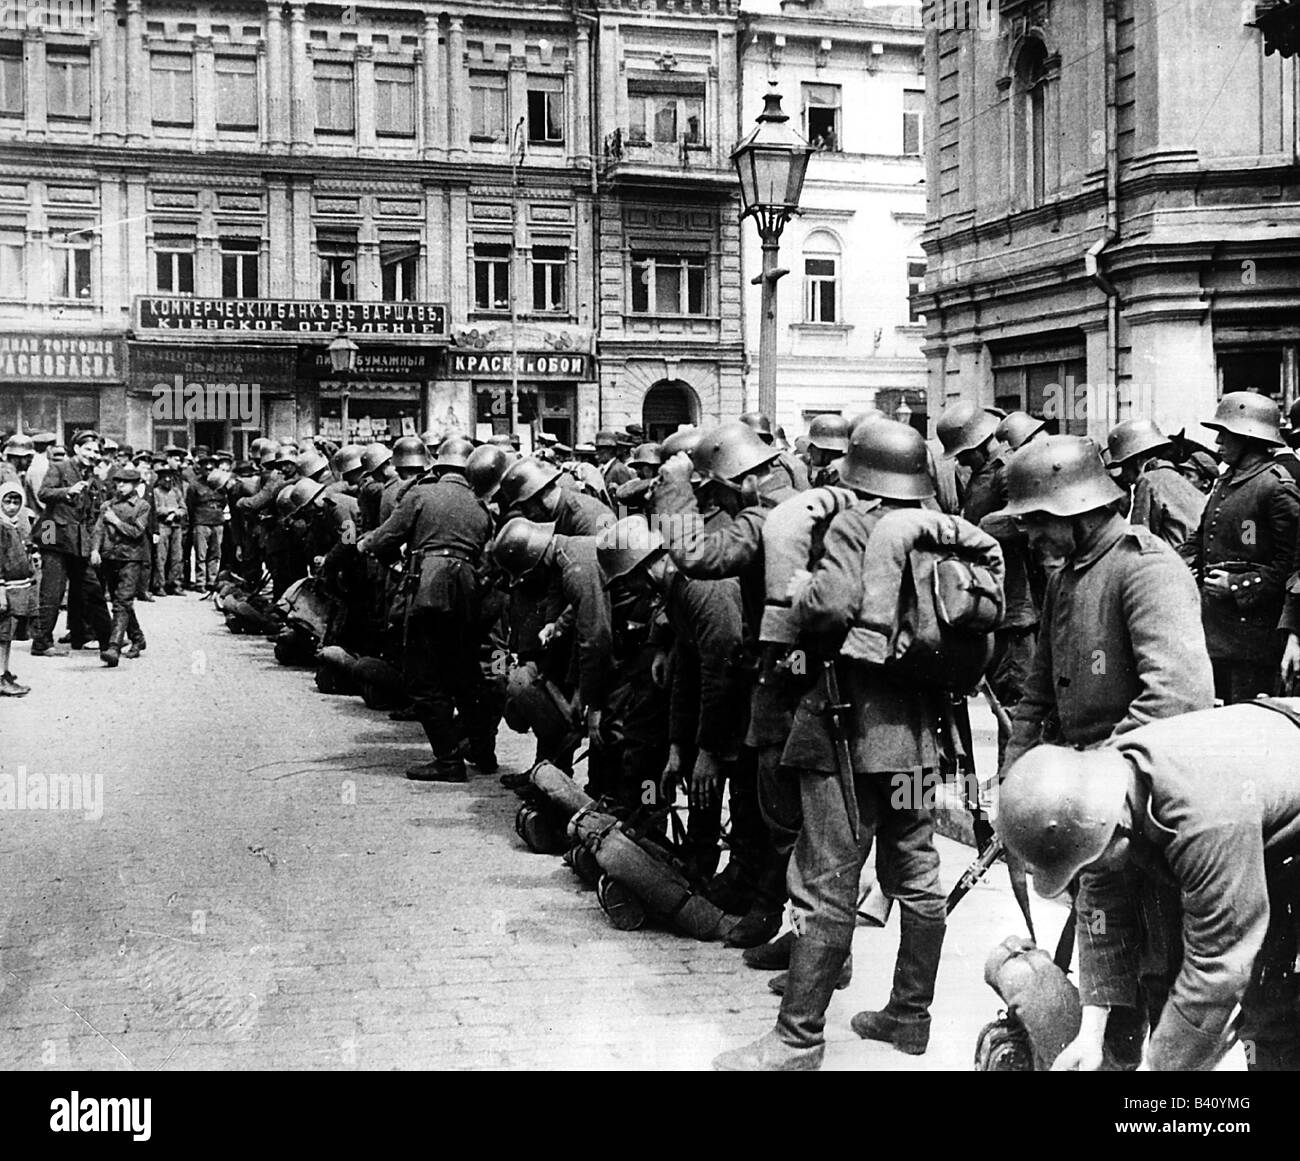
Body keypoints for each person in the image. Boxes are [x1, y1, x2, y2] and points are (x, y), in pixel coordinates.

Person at [713, 420, 950, 1070]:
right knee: (920, 877)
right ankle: (910, 1014)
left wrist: (807, 589)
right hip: (919, 738)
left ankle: (797, 1039)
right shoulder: (938, 527)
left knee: (823, 884)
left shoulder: (856, 524)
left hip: (845, 731)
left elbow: (829, 607)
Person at [997, 434, 1216, 1065]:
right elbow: (1037, 696)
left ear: (1078, 509)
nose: (1030, 537)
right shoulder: (1068, 576)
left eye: (1037, 522)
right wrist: (1019, 784)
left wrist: (1091, 774)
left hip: (1146, 800)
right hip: (1090, 797)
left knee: (1159, 957)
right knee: (1103, 940)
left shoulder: (1145, 567)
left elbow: (1178, 697)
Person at [998, 699, 1300, 1071]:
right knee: (1269, 1008)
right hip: (1265, 816)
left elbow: (1217, 965)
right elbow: (1100, 905)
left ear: (1117, 838)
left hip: (1268, 815)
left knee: (1276, 1007)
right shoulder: (1101, 791)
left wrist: (1155, 1069)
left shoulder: (1203, 818)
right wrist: (1090, 1034)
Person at [358, 439, 493, 782]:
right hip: (468, 592)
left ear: (438, 466)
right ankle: (482, 750)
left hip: (429, 590)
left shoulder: (421, 494)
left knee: (423, 676)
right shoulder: (481, 505)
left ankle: (448, 760)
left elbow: (389, 535)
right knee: (465, 672)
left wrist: (366, 543)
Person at [1180, 392, 1300, 704]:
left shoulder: (1275, 487)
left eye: (1225, 434)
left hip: (1254, 640)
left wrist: (1237, 585)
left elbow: (1291, 567)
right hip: (1215, 631)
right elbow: (1201, 537)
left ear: (1249, 437)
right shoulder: (1224, 482)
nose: (1217, 442)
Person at [32, 430, 112, 657]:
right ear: (76, 449)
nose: (92, 454)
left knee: (91, 588)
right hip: (52, 534)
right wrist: (68, 491)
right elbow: (44, 493)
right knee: (52, 591)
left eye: (96, 451)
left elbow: (92, 514)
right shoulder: (60, 467)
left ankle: (108, 641)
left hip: (78, 541)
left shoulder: (93, 476)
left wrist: (92, 545)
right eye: (87, 449)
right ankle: (41, 643)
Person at [1106, 417, 1206, 550]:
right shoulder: (1176, 479)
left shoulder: (1148, 481)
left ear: (1137, 460)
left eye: (1123, 465)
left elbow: (1140, 542)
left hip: (1166, 564)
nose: (1123, 474)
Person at [89, 464, 150, 667]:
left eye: (126, 483)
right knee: (119, 600)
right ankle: (138, 638)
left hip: (131, 558)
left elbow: (136, 533)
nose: (121, 486)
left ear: (135, 485)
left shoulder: (142, 506)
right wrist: (95, 550)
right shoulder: (107, 505)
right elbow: (98, 529)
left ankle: (113, 647)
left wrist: (115, 521)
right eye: (118, 482)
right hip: (110, 557)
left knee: (122, 601)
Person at [0, 481, 36, 695]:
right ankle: (1, 677)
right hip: (6, 589)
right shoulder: (1, 526)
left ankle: (4, 671)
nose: (12, 506)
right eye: (7, 501)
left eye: (16, 501)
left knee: (8, 634)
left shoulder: (16, 524)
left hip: (18, 587)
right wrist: (1, 590)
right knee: (2, 635)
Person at [187, 453, 227, 591]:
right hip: (201, 522)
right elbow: (190, 505)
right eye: (206, 467)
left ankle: (212, 581)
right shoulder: (194, 485)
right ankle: (200, 582)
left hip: (217, 521)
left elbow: (223, 501)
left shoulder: (220, 484)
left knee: (215, 554)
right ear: (201, 468)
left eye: (211, 468)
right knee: (201, 555)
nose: (208, 470)